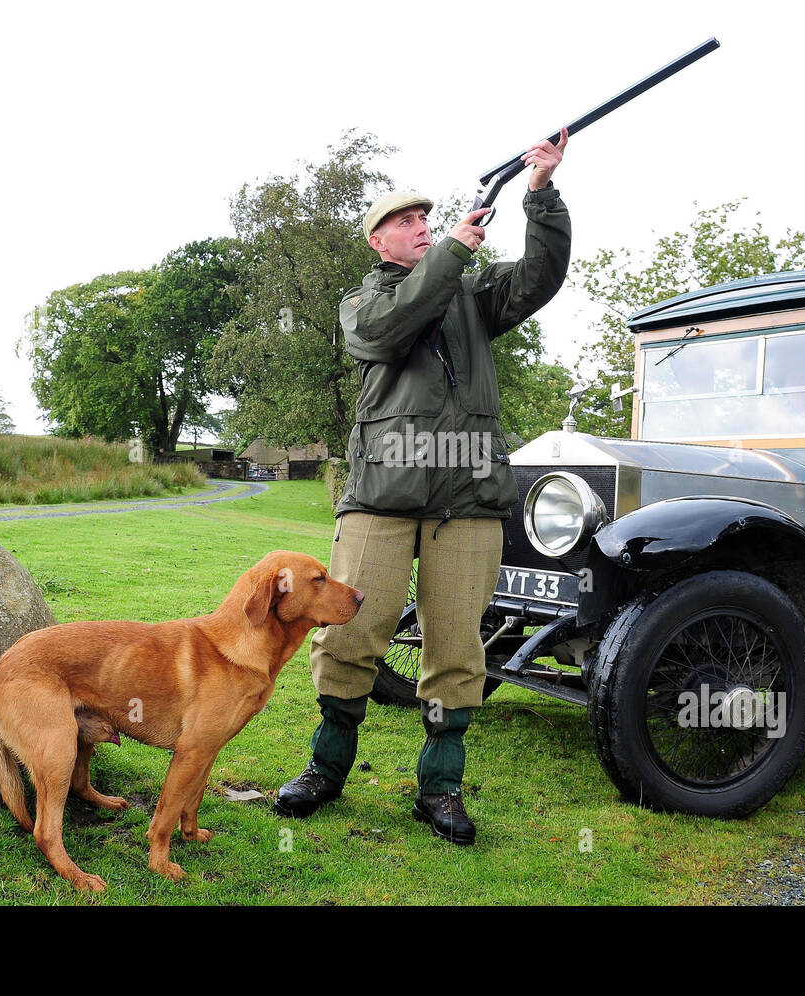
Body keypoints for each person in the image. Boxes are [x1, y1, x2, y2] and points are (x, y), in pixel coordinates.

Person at [273, 129, 572, 843]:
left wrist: (541, 195)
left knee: (456, 647)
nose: (422, 228)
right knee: (349, 633)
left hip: (466, 499)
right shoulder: (361, 305)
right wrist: (453, 253)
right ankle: (327, 767)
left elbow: (541, 277)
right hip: (380, 495)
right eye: (405, 222)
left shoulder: (468, 292)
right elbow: (392, 325)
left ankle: (439, 789)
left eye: (426, 221)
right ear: (377, 241)